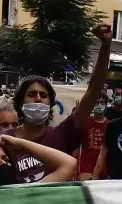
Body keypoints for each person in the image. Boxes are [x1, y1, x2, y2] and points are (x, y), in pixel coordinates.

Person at [7, 24, 113, 182]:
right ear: (21, 102)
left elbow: (93, 91)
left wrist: (105, 47)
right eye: (31, 94)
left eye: (43, 95)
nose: (38, 98)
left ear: (50, 104)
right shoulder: (5, 140)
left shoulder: (61, 135)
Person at [0, 134, 76, 191]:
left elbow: (69, 164)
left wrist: (19, 143)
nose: (3, 164)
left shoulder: (25, 192)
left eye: (6, 159)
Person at [78, 103, 108, 181]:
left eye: (102, 102)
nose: (99, 105)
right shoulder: (85, 121)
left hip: (103, 163)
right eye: (96, 102)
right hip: (86, 162)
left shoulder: (110, 125)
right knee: (87, 187)